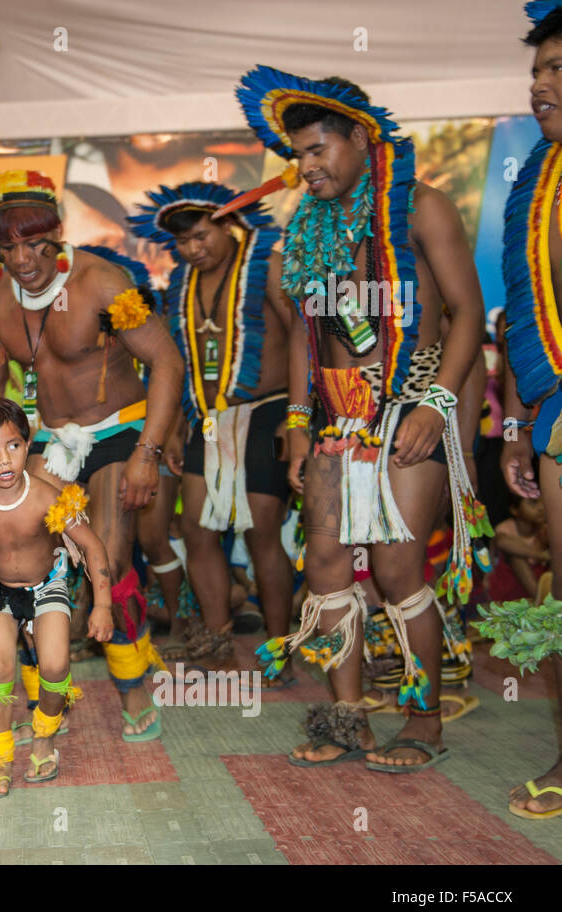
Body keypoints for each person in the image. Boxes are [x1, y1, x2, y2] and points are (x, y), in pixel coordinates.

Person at [235, 67, 485, 771]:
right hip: (334, 414)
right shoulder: (305, 232)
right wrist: (296, 420)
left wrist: (436, 405)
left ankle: (423, 718)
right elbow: (305, 340)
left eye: (318, 150)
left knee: (400, 566)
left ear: (360, 136)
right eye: (298, 156)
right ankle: (346, 720)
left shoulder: (420, 209)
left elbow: (467, 312)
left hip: (410, 400)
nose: (305, 166)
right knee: (324, 568)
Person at [0, 170, 185, 741]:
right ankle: (44, 691)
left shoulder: (102, 283)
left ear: (58, 232)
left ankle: (133, 685)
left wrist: (147, 451)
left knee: (105, 555)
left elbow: (167, 363)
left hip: (116, 432)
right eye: (9, 246)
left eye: (35, 242)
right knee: (26, 562)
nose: (23, 257)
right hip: (46, 439)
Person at [128, 182, 296, 679]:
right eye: (183, 243)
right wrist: (177, 426)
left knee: (262, 531)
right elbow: (177, 360)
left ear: (229, 225)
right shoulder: (180, 284)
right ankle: (217, 639)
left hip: (269, 409)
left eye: (201, 237)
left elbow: (302, 334)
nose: (192, 249)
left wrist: (299, 415)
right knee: (200, 532)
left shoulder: (267, 265)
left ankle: (279, 646)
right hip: (206, 418)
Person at [0, 398, 115, 796]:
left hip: (47, 584)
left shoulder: (45, 496)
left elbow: (93, 547)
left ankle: (44, 736)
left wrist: (102, 605)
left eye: (14, 446)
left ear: (28, 444)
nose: (5, 460)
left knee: (55, 666)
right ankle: (0, 759)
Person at [496, 1, 562, 819]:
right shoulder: (537, 182)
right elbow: (523, 310)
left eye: (560, 72)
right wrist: (517, 418)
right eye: (539, 71)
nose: (541, 86)